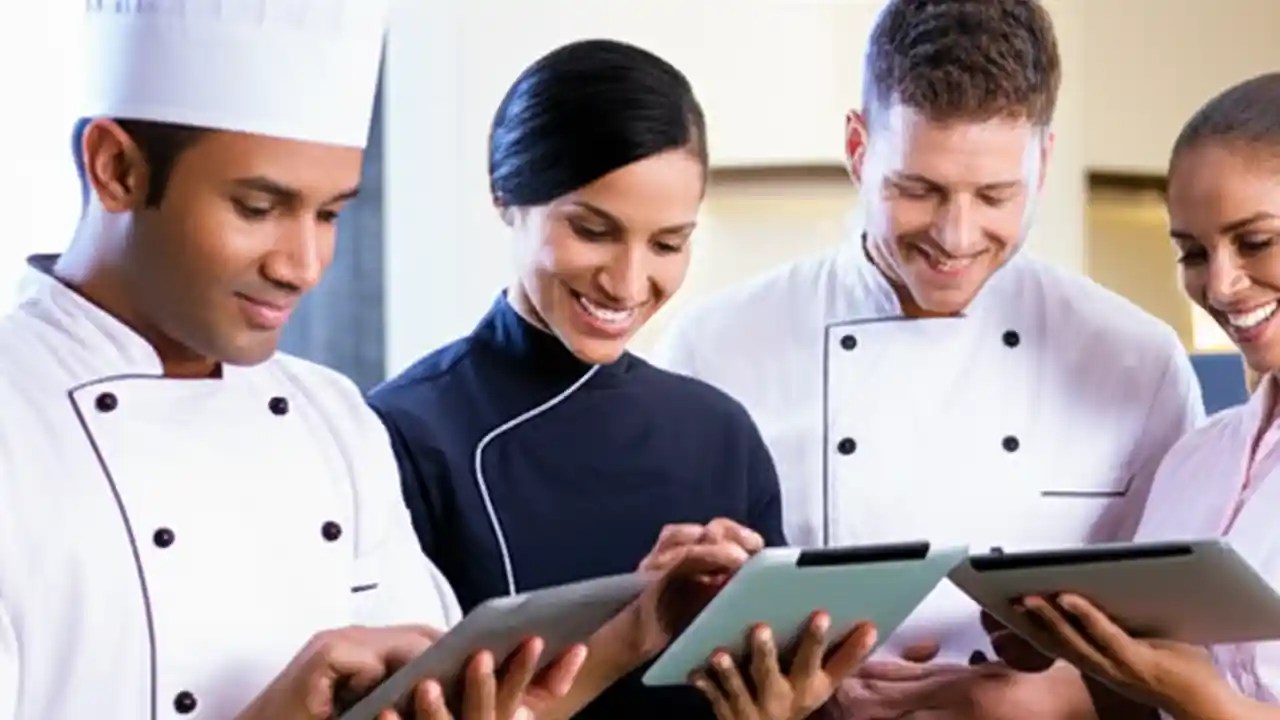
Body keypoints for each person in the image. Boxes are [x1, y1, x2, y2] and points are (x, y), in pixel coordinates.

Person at [0, 5, 752, 719]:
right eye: (258, 208)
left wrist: (637, 627)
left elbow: (461, 702)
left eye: (329, 214)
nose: (304, 265)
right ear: (115, 169)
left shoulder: (331, 420)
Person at [650, 0, 1205, 716]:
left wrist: (1047, 696)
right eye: (918, 189)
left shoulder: (1139, 360)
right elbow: (671, 642)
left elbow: (1185, 658)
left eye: (996, 195)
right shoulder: (713, 349)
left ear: (1043, 159)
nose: (956, 234)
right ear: (858, 148)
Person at [367, 38, 876, 720]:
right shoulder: (402, 434)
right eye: (593, 230)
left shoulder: (719, 432)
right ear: (505, 196)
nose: (629, 282)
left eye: (668, 244)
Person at [985, 71, 1280, 720]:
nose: (1223, 285)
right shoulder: (1195, 459)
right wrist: (1083, 653)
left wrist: (1208, 703)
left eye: (1256, 242)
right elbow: (1150, 695)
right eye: (1193, 253)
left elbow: (1205, 693)